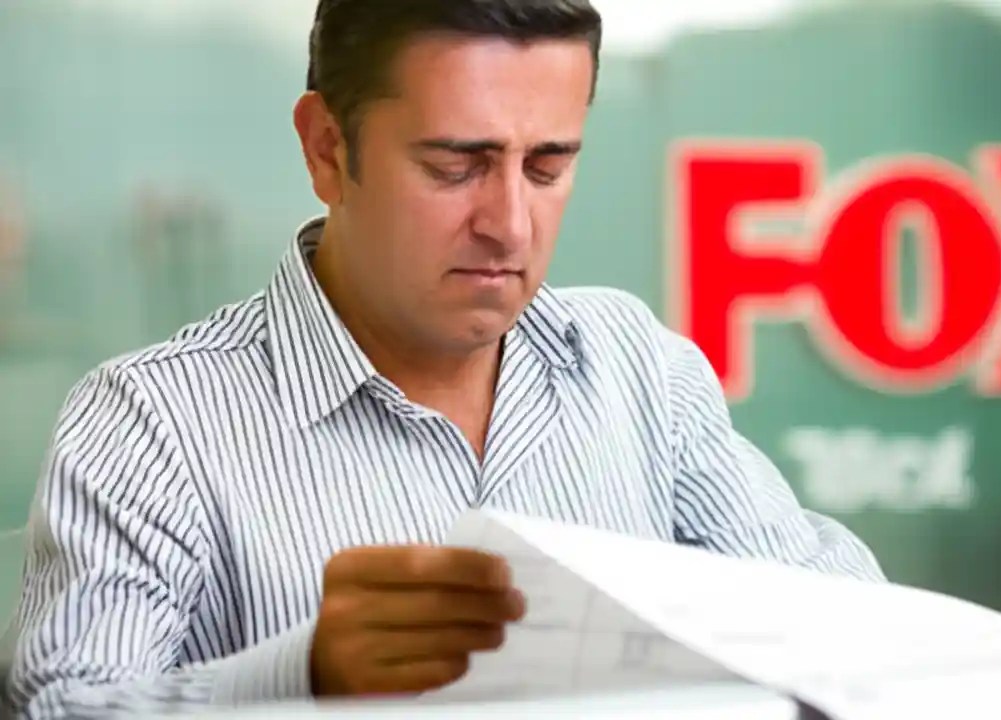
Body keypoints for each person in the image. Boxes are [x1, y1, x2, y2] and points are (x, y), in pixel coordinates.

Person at [3, 0, 884, 716]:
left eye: (546, 167)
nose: (509, 224)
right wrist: (299, 676)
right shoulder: (153, 421)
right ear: (327, 149)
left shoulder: (637, 370)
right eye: (456, 165)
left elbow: (844, 623)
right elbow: (64, 707)